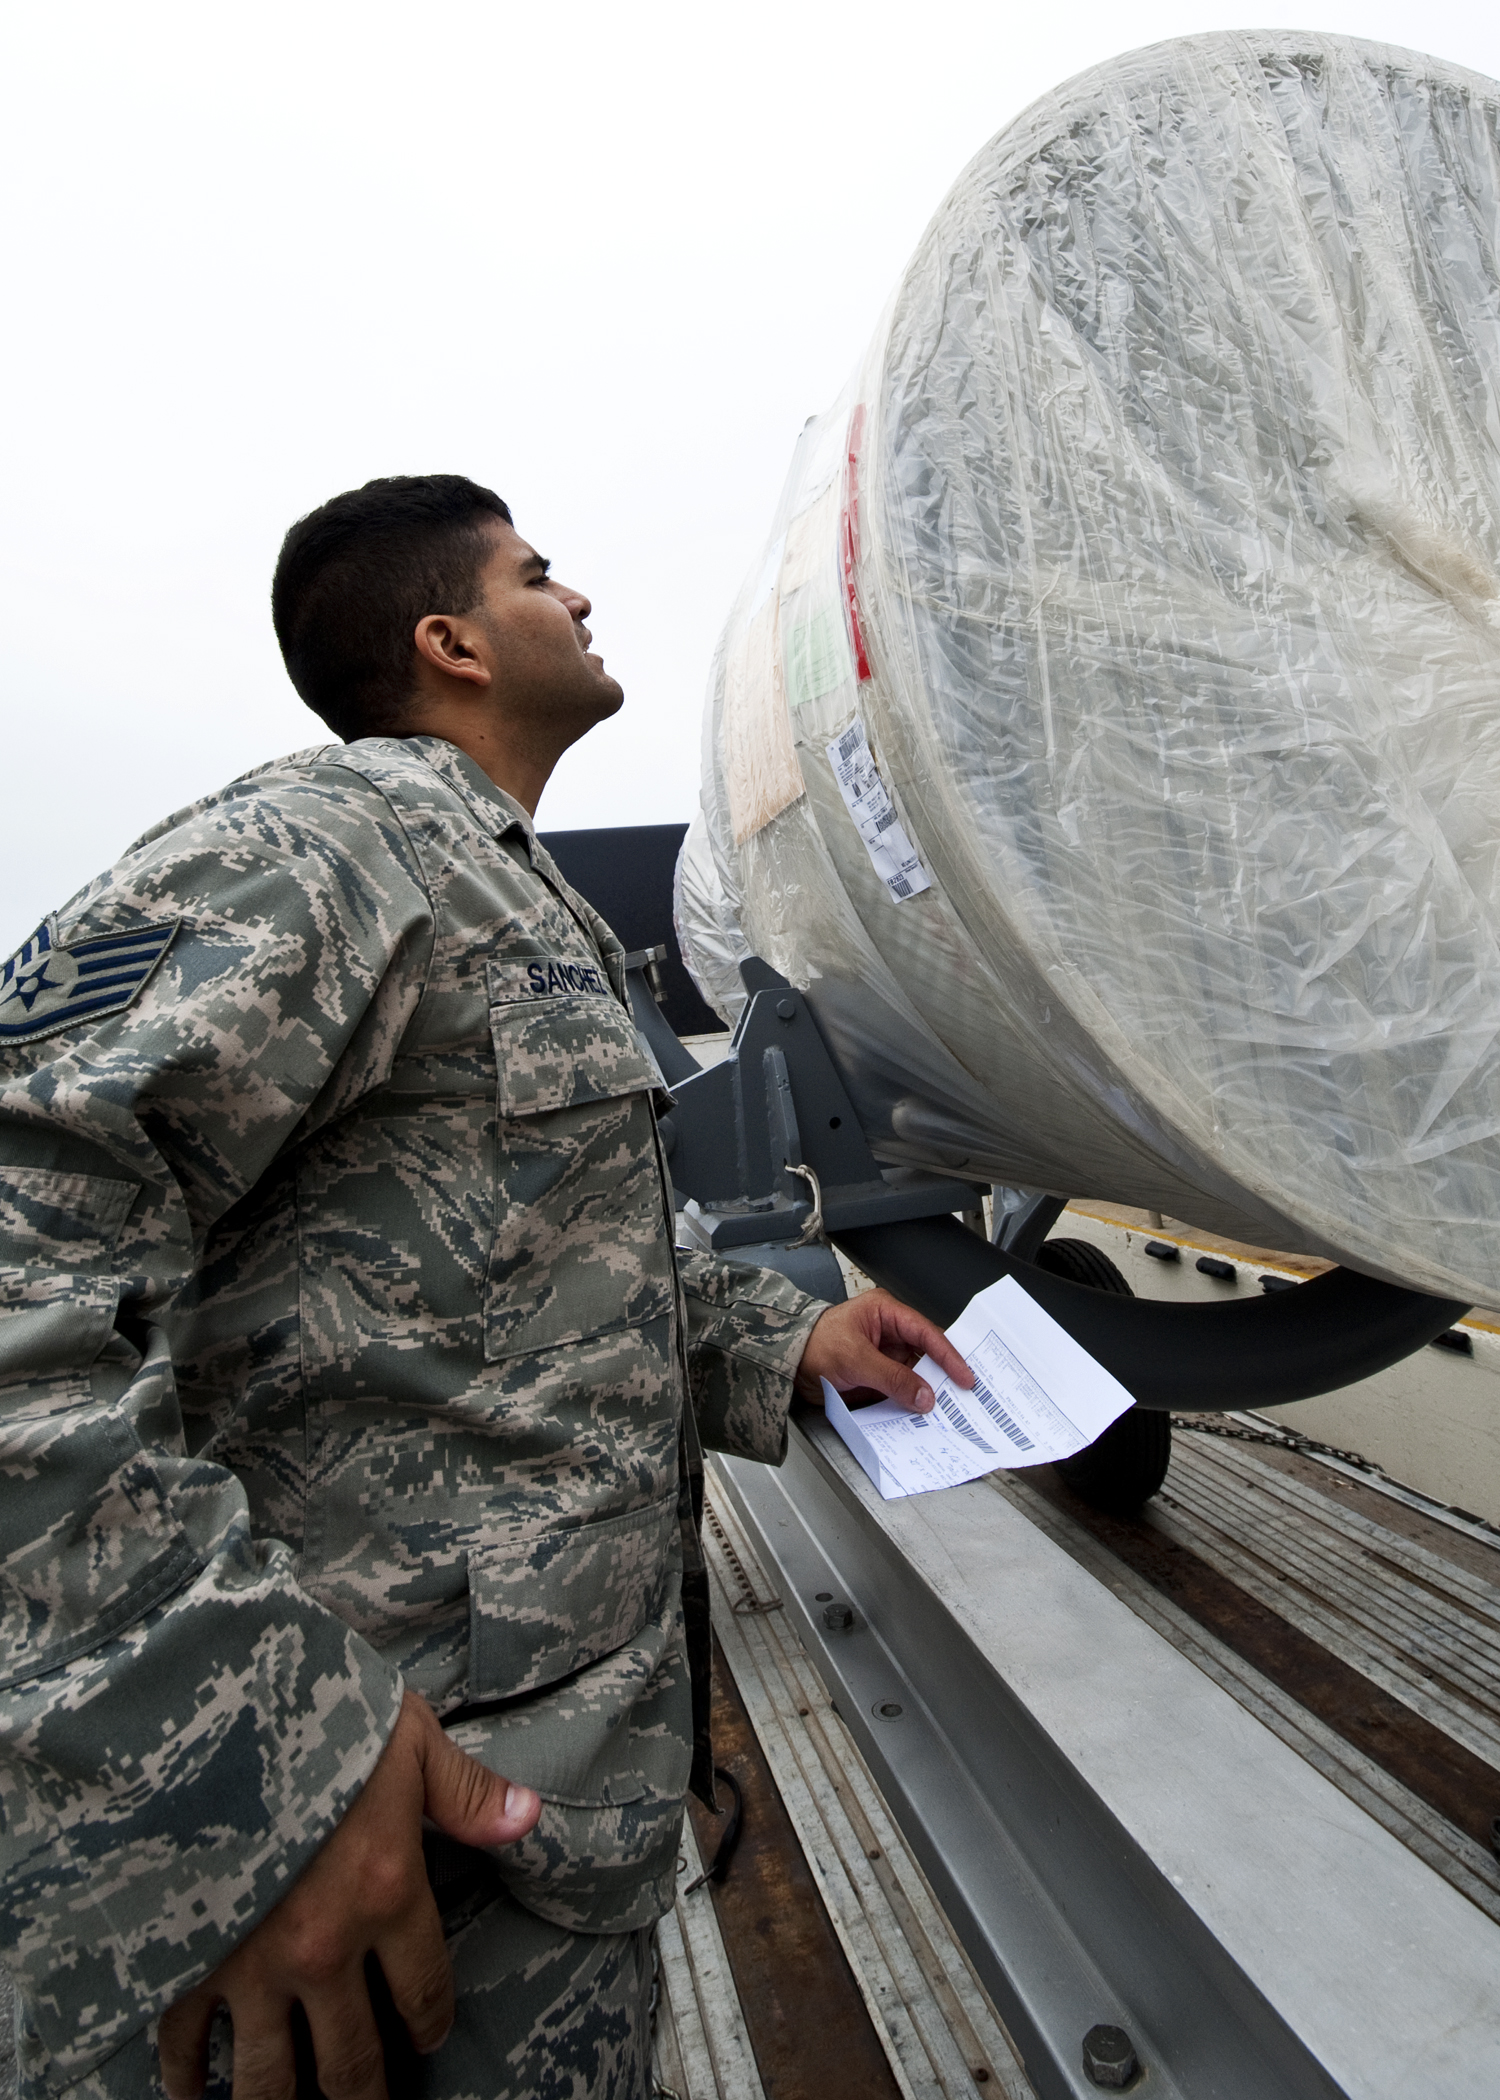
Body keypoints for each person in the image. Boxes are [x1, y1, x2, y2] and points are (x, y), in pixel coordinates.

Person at [0, 475, 970, 2100]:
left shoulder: (518, 897)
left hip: (539, 1816)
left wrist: (780, 1335)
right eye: (538, 575)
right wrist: (262, 1749)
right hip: (333, 1845)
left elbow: (544, 1245)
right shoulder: (328, 848)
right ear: (450, 641)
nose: (577, 599)